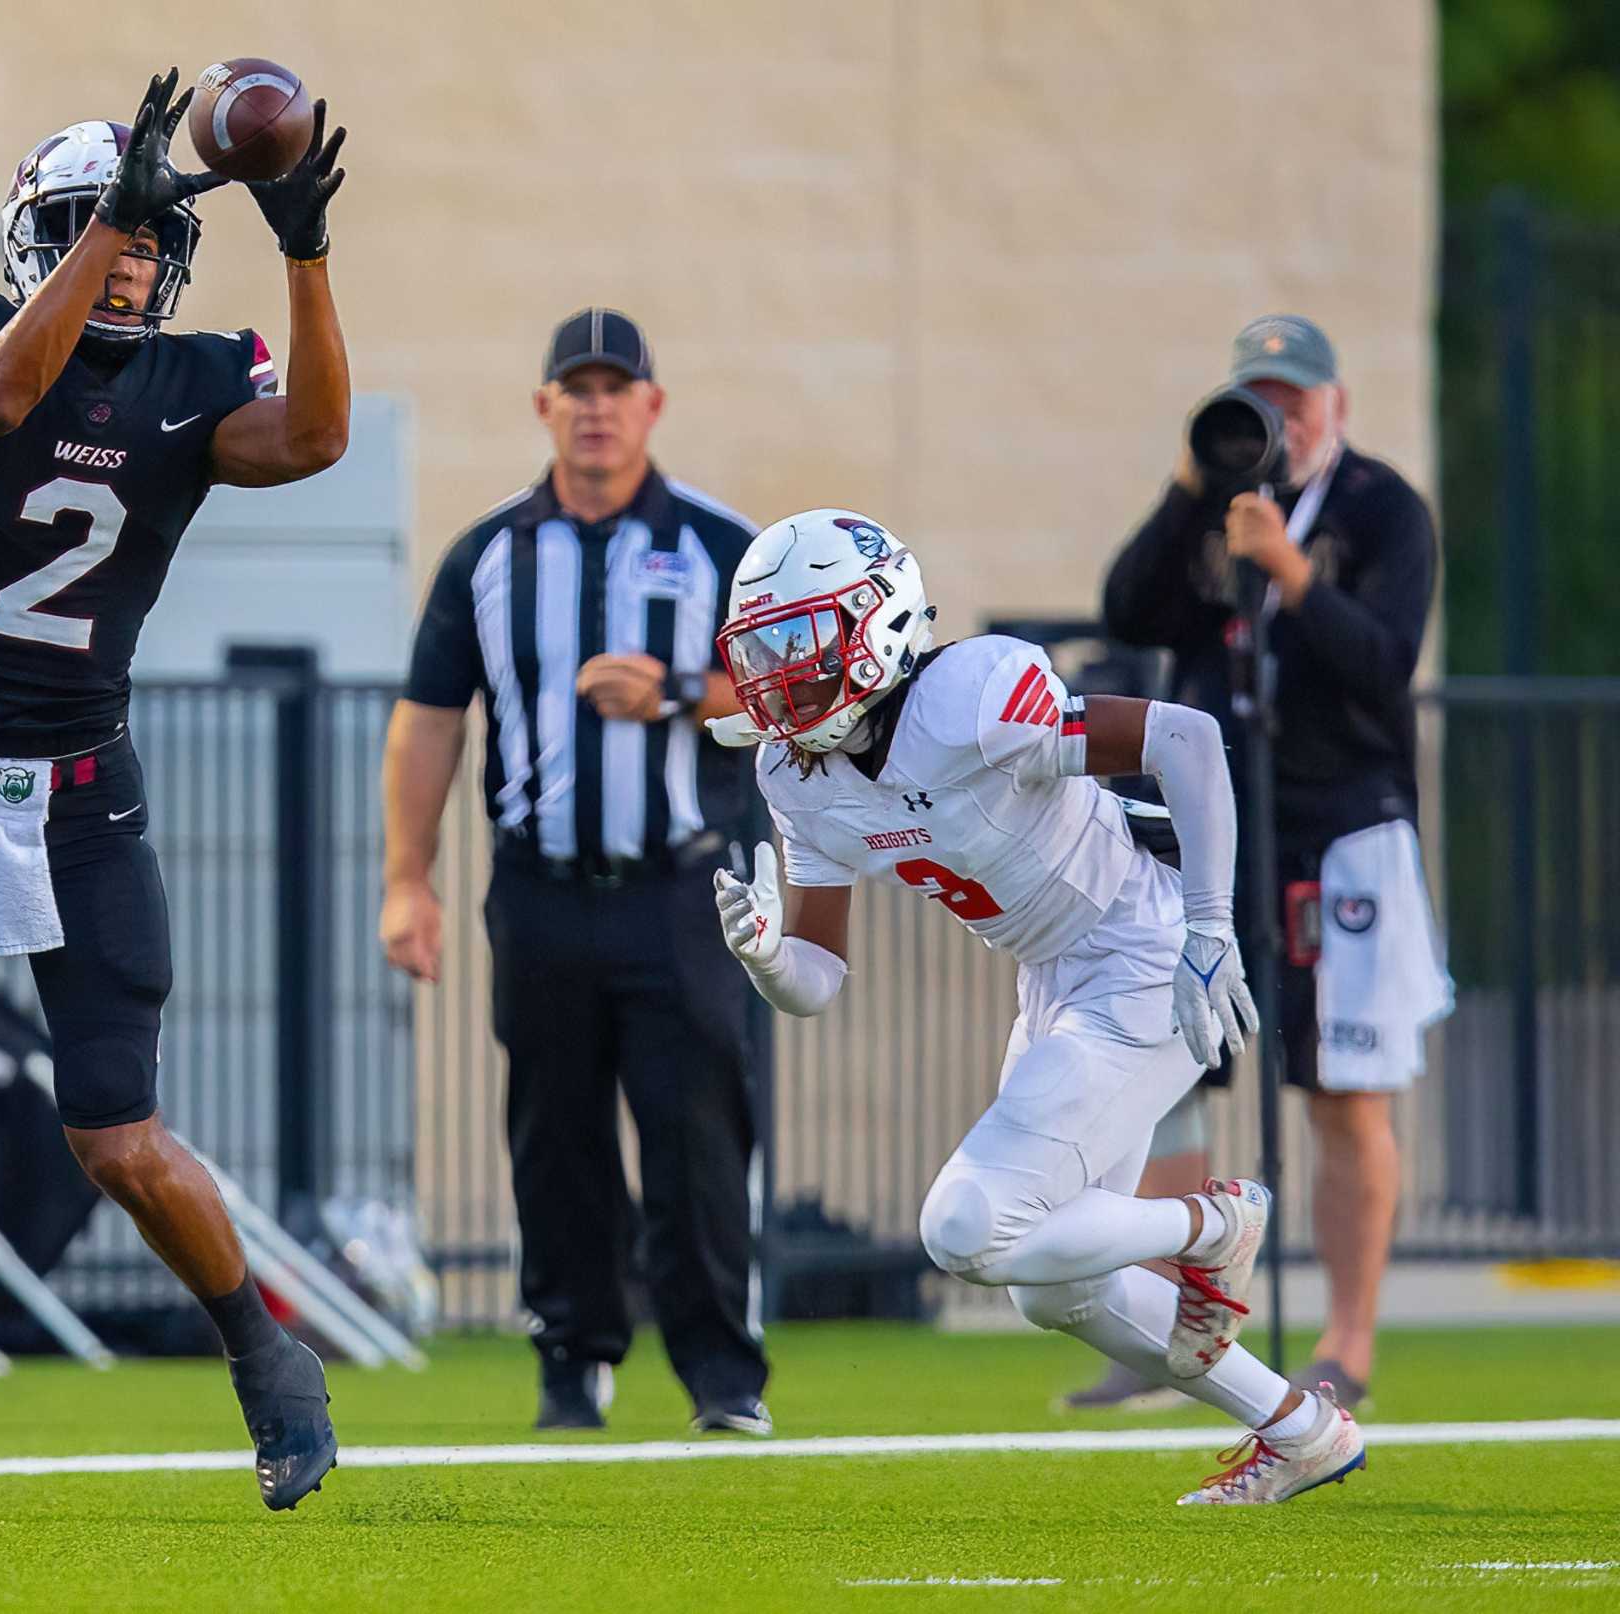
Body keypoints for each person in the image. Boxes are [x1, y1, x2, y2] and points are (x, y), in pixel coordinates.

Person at [0, 69, 351, 1514]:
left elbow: (312, 438)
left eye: (139, 237)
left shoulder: (195, 377)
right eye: (94, 230)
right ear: (34, 238)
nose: (126, 256)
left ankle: (267, 1355)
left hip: (75, 794)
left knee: (114, 1129)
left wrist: (305, 252)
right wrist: (94, 227)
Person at [708, 507, 1366, 1505]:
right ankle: (1299, 1430)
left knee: (961, 1228)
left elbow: (1184, 741)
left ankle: (1207, 1226)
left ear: (873, 623)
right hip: (1051, 981)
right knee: (1050, 1287)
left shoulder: (966, 698)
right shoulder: (795, 772)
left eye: (800, 641)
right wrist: (764, 957)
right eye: (764, 649)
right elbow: (817, 980)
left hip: (1138, 954)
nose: (780, 674)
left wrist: (1206, 929)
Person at [381, 308, 771, 1434]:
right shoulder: (489, 555)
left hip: (682, 888)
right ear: (543, 407)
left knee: (696, 1130)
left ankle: (721, 1377)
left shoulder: (721, 546)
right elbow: (426, 722)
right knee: (553, 1136)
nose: (595, 408)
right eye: (575, 388)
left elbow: (801, 692)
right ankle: (571, 1358)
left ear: (652, 406)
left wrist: (679, 693)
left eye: (616, 388)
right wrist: (408, 880)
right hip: (541, 891)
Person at [1079, 315, 1452, 1413]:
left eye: (1293, 398)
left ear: (1333, 406)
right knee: (1171, 1071)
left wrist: (1291, 572)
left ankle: (1346, 1344)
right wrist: (1187, 487)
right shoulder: (1216, 503)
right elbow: (1126, 608)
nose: (1276, 418)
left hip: (1342, 822)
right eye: (1258, 397)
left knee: (1342, 1087)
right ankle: (1165, 1328)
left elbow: (1384, 664)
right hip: (1216, 826)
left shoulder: (1382, 510)